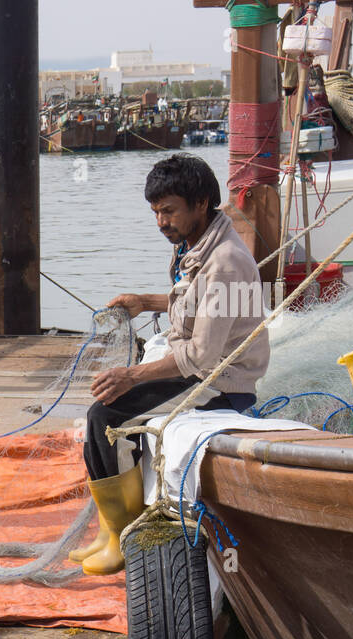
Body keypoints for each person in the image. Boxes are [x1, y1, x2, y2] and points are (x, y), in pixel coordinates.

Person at [74, 153, 270, 575]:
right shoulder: (202, 243)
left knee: (107, 417)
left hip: (221, 380)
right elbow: (201, 304)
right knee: (99, 415)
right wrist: (146, 302)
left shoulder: (226, 262)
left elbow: (201, 356)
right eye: (155, 212)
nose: (161, 221)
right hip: (202, 364)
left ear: (201, 203)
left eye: (168, 211)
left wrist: (131, 375)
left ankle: (122, 535)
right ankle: (111, 528)